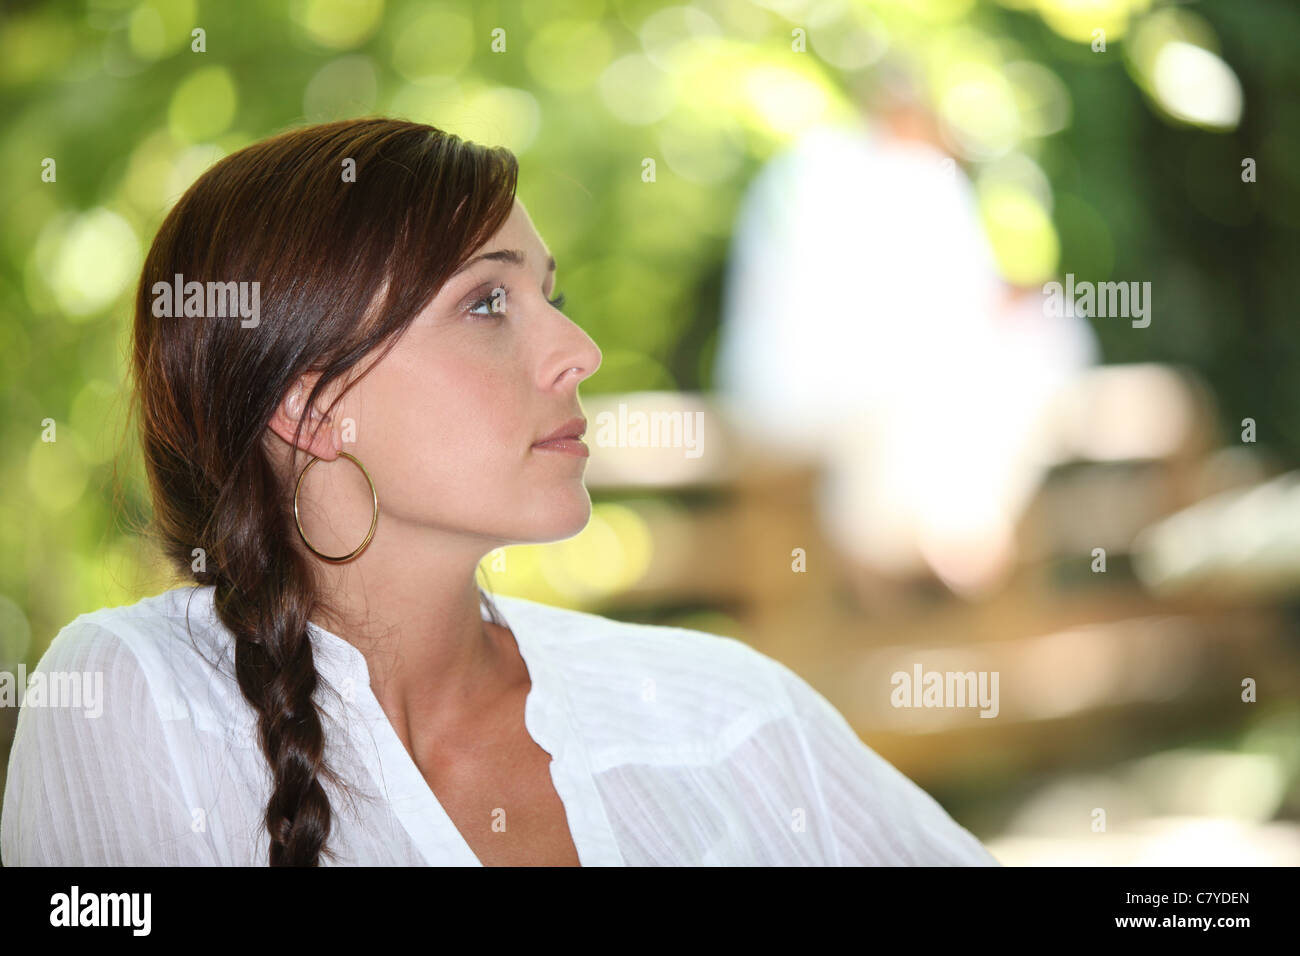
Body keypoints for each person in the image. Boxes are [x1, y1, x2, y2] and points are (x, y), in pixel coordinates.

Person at [0, 119, 998, 866]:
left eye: (547, 296)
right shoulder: (138, 698)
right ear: (308, 409)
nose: (578, 350)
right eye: (486, 302)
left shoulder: (727, 717)